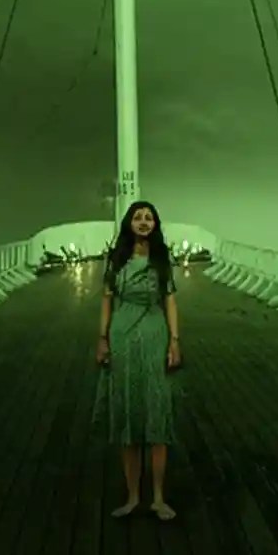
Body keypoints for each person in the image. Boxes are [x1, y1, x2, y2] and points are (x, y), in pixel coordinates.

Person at [94, 200, 182, 521]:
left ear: (155, 224)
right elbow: (106, 300)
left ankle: (158, 497)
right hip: (123, 335)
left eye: (149, 218)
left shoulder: (161, 259)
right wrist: (102, 339)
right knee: (128, 411)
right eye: (138, 217)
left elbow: (170, 299)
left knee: (156, 410)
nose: (143, 222)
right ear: (129, 223)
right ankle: (132, 496)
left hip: (155, 331)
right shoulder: (117, 259)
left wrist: (174, 340)